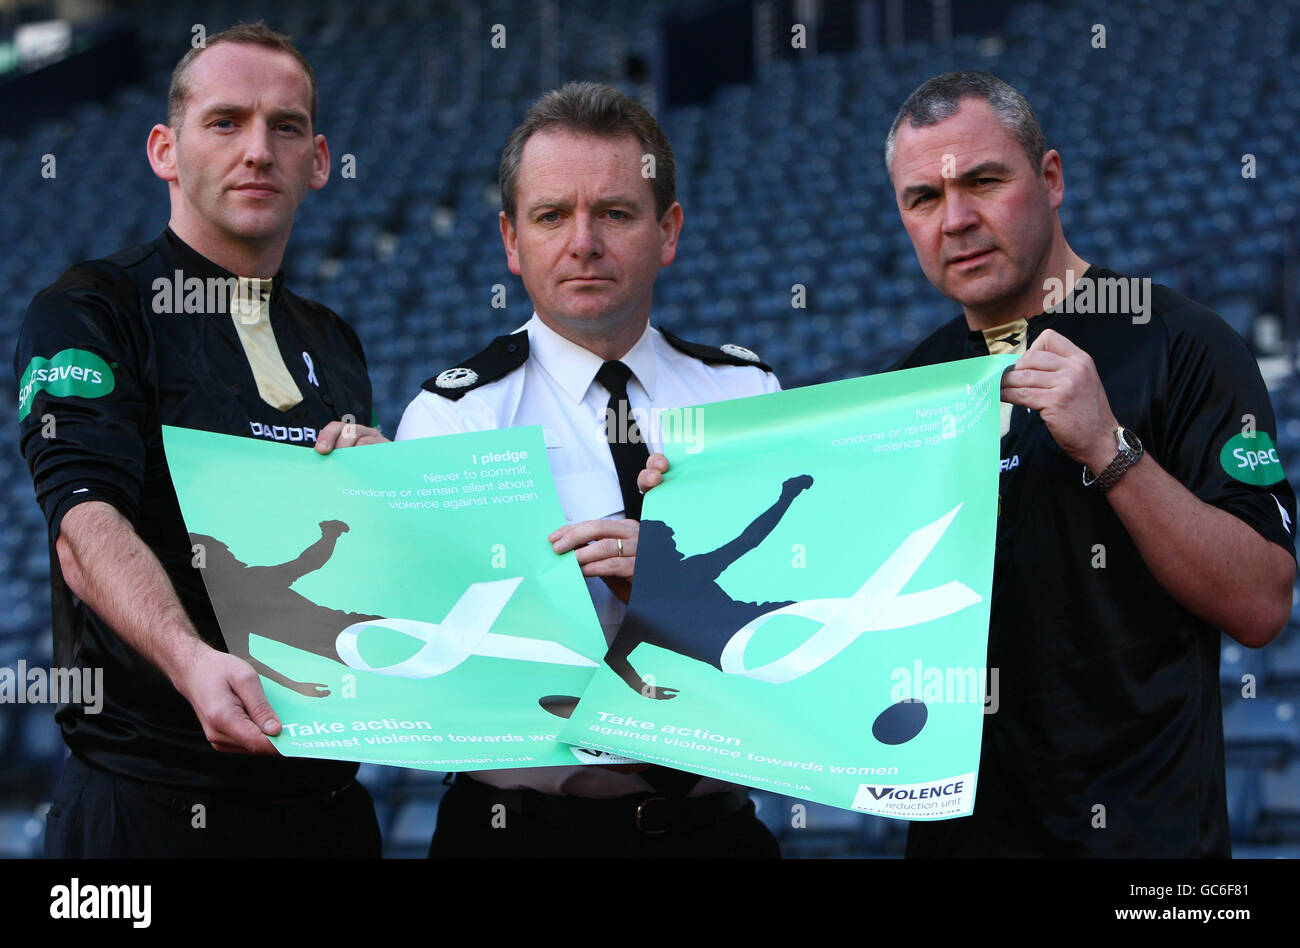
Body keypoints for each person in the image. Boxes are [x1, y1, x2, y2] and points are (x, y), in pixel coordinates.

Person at [640, 69, 1297, 857]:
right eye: (923, 198)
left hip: (1145, 845)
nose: (956, 220)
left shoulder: (1182, 342)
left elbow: (1261, 604)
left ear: (1050, 180)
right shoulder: (908, 390)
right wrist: (680, 532)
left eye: (984, 181)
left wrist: (1110, 450)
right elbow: (830, 625)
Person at [15, 22, 387, 858]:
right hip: (150, 809)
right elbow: (84, 522)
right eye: (225, 122)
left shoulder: (333, 338)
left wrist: (383, 497)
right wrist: (189, 662)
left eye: (285, 126)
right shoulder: (88, 308)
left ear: (319, 161)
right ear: (165, 150)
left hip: (326, 803)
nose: (258, 149)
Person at [395, 81, 782, 858]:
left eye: (614, 212)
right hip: (517, 838)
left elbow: (794, 619)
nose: (583, 241)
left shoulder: (748, 395)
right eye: (551, 215)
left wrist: (674, 598)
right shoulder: (452, 419)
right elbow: (429, 660)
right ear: (511, 240)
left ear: (666, 231)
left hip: (710, 835)